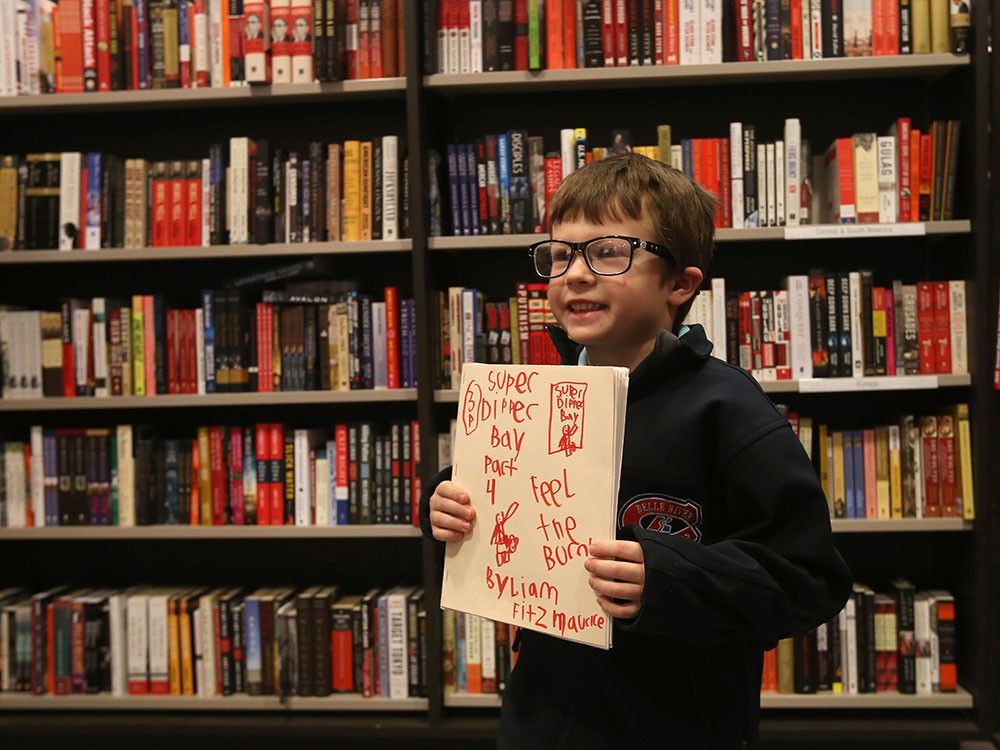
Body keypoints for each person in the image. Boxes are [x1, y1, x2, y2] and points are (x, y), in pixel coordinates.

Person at [421, 152, 853, 749]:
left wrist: (668, 576)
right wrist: (445, 504)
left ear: (680, 284)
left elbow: (809, 578)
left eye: (608, 253)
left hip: (673, 725)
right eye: (561, 254)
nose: (575, 274)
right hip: (541, 718)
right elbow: (502, 498)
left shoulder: (726, 408)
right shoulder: (537, 395)